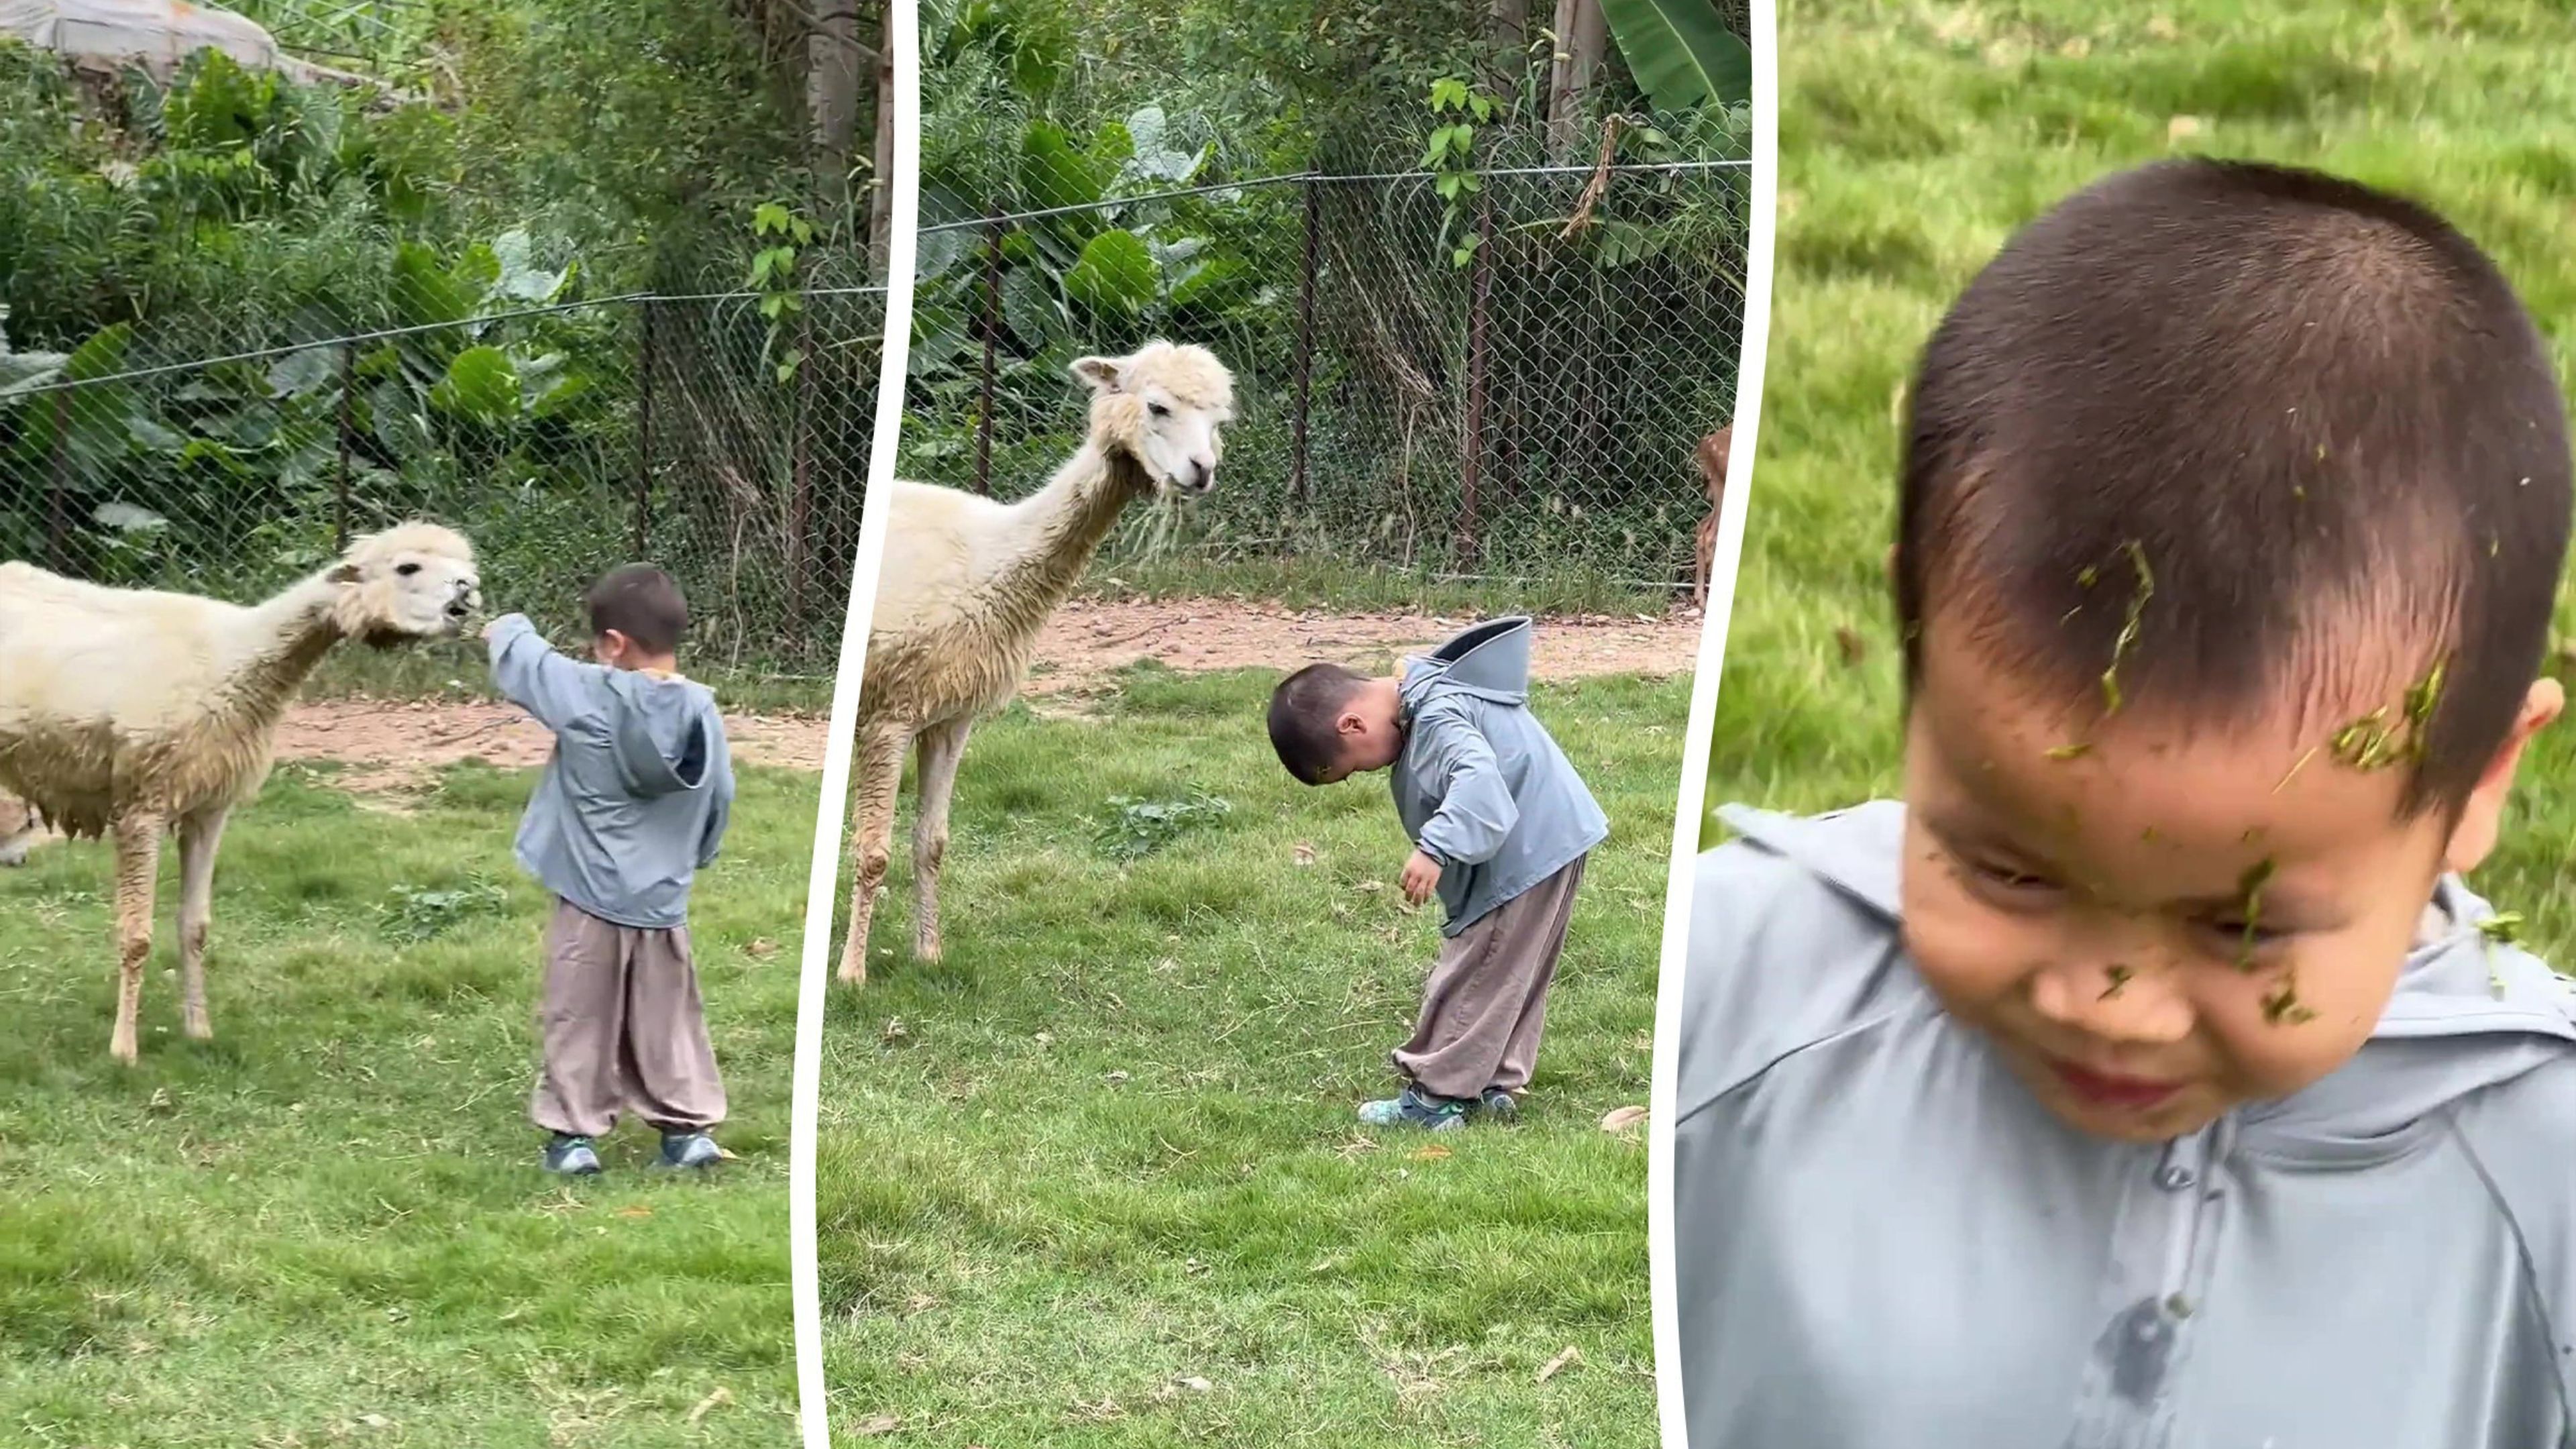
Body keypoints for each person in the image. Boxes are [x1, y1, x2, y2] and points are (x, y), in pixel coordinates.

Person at [1671, 156, 2576, 1447]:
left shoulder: (2552, 1185)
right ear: (1914, 645)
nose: (2110, 1007)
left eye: (2243, 926)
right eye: (2014, 872)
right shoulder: (1722, 997)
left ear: (2483, 775)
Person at [1269, 617, 1609, 1130]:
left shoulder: (1437, 714)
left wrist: (1435, 847)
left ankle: (1435, 1098)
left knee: (1477, 969)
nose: (1368, 772)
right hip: (1551, 840)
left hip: (1524, 854)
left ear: (1353, 726)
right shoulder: (1423, 693)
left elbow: (1480, 785)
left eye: (1355, 768)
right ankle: (1493, 1080)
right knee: (1515, 969)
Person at [484, 564, 736, 1175]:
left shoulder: (588, 693)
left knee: (580, 1016)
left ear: (615, 644)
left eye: (599, 644)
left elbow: (523, 662)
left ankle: (573, 1138)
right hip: (663, 901)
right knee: (667, 1019)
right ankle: (686, 1133)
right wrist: (690, 859)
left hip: (589, 901)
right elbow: (720, 795)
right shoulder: (703, 714)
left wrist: (500, 620)